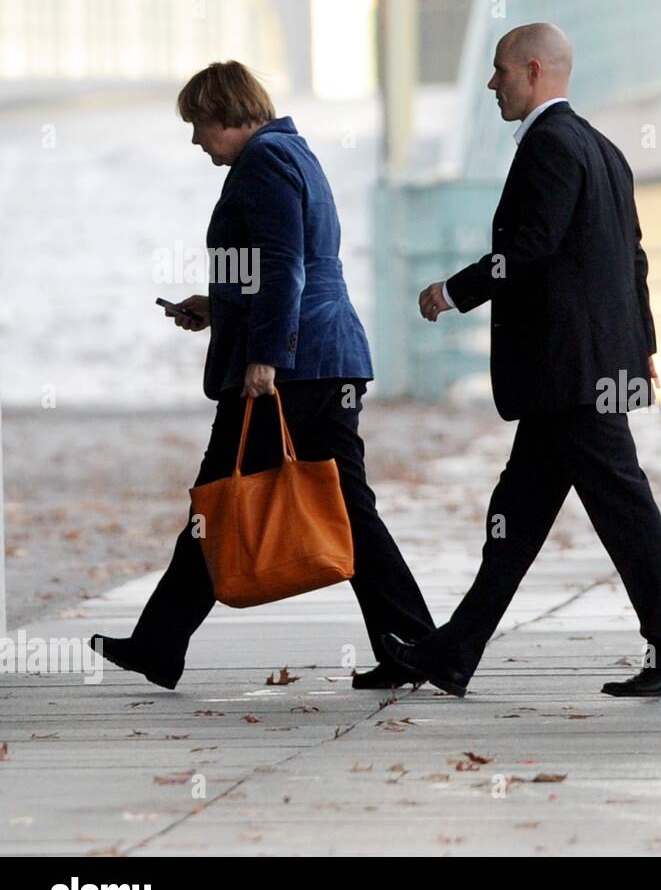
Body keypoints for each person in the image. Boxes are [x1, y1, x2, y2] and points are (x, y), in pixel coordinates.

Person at [383, 23, 661, 698]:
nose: (491, 84)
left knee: (626, 514)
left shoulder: (551, 147)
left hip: (571, 376)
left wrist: (453, 291)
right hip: (584, 373)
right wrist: (643, 351)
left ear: (533, 71)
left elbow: (528, 248)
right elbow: (633, 261)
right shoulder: (602, 148)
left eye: (500, 71)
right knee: (516, 520)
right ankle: (453, 654)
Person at [92, 61, 435, 690]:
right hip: (320, 360)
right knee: (307, 504)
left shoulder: (265, 163)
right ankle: (412, 644)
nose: (196, 139)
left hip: (296, 370)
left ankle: (160, 644)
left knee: (224, 500)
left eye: (199, 123)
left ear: (228, 114)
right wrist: (217, 307)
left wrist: (266, 356)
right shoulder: (291, 153)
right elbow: (286, 264)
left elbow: (284, 267)